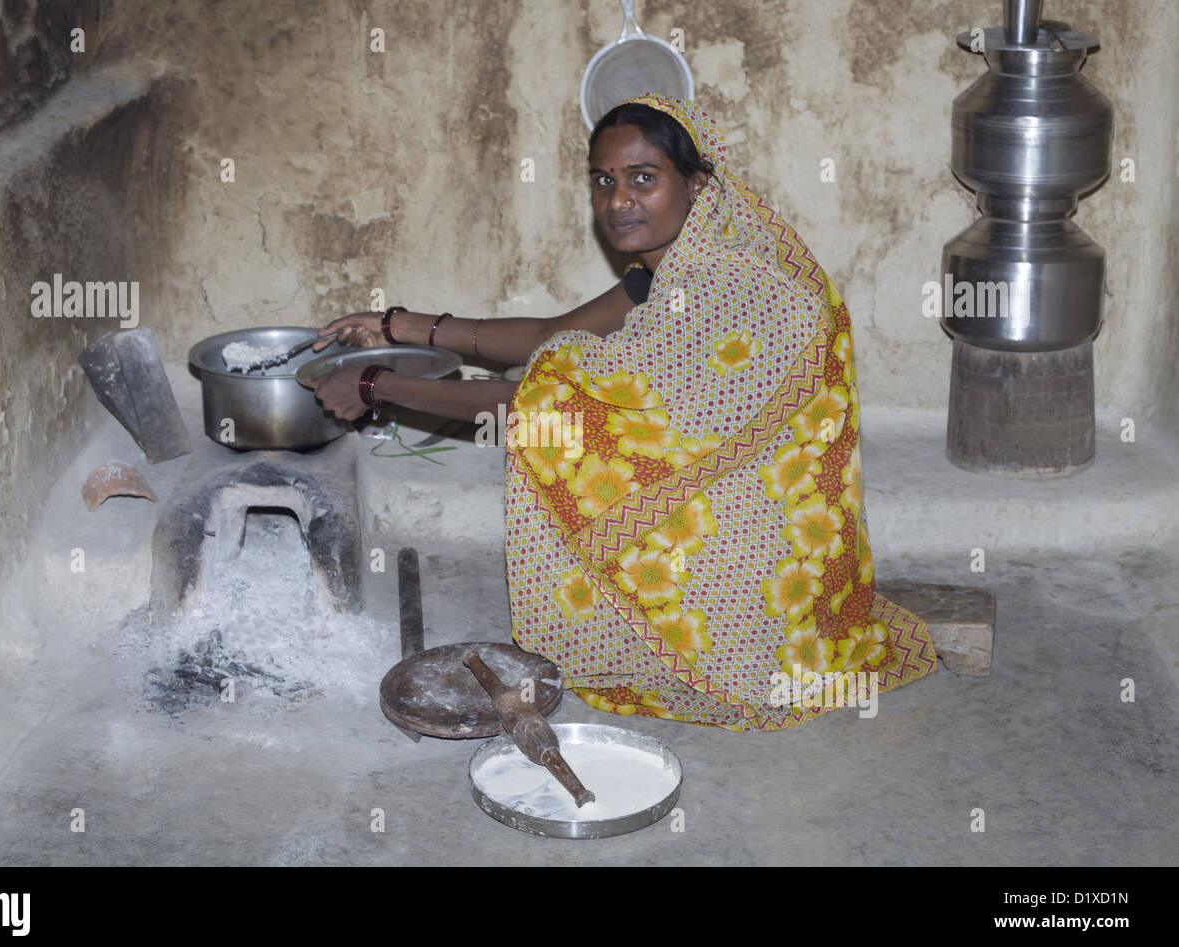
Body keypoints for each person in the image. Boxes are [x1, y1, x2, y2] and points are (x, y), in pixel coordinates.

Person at [310, 93, 937, 731]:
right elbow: (549, 334)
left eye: (643, 178)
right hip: (740, 517)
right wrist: (397, 325)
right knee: (563, 376)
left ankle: (712, 629)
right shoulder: (676, 266)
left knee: (571, 425)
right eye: (603, 181)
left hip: (766, 564)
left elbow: (553, 412)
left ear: (697, 184)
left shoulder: (741, 289)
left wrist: (374, 387)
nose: (617, 201)